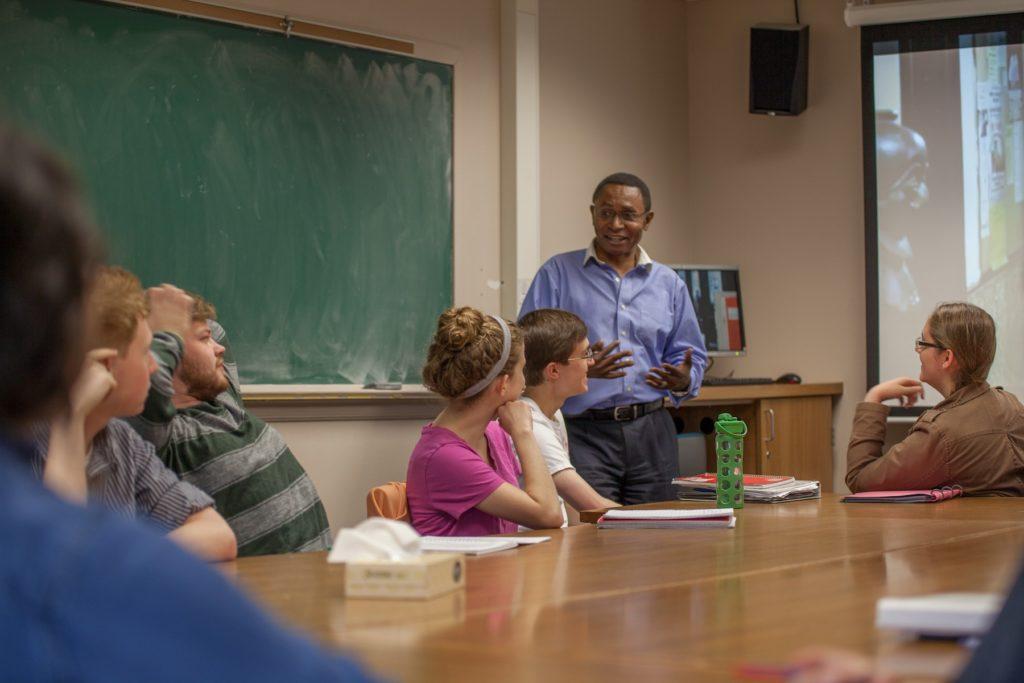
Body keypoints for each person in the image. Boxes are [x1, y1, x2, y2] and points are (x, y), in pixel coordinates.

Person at [0, 124, 373, 681]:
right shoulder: (150, 433)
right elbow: (63, 553)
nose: (157, 361)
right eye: (151, 349)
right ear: (92, 357)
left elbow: (212, 532)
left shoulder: (138, 437)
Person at [519, 172, 707, 504]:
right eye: (606, 213)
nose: (615, 224)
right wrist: (579, 369)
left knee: (660, 535)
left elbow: (691, 355)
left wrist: (682, 379)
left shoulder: (669, 284)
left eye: (628, 215)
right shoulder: (557, 274)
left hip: (652, 430)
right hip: (583, 431)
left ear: (647, 220)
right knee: (591, 535)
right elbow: (527, 352)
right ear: (592, 214)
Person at [34, 266, 236, 562]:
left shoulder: (120, 440)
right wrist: (70, 422)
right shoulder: (19, 444)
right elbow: (60, 560)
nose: (155, 367)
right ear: (104, 366)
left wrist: (117, 558)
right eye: (145, 353)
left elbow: (219, 536)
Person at [126, 286, 332, 556]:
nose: (219, 347)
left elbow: (214, 327)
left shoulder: (223, 400)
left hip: (319, 571)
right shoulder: (162, 437)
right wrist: (164, 332)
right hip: (266, 590)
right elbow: (152, 387)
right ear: (171, 356)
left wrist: (174, 313)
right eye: (204, 340)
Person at [406, 307, 562, 536]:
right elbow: (548, 515)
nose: (525, 383)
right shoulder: (445, 457)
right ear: (503, 384)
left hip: (498, 567)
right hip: (464, 571)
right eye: (522, 370)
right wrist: (524, 433)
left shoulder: (493, 432)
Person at [846, 302, 1024, 495]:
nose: (918, 350)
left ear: (947, 358)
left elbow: (860, 478)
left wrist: (874, 398)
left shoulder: (940, 432)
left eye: (923, 343)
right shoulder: (1012, 404)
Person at [518, 308, 620, 523]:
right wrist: (669, 522)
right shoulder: (531, 424)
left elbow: (571, 507)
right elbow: (593, 506)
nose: (591, 363)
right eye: (585, 354)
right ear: (553, 371)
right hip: (537, 551)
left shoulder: (553, 412)